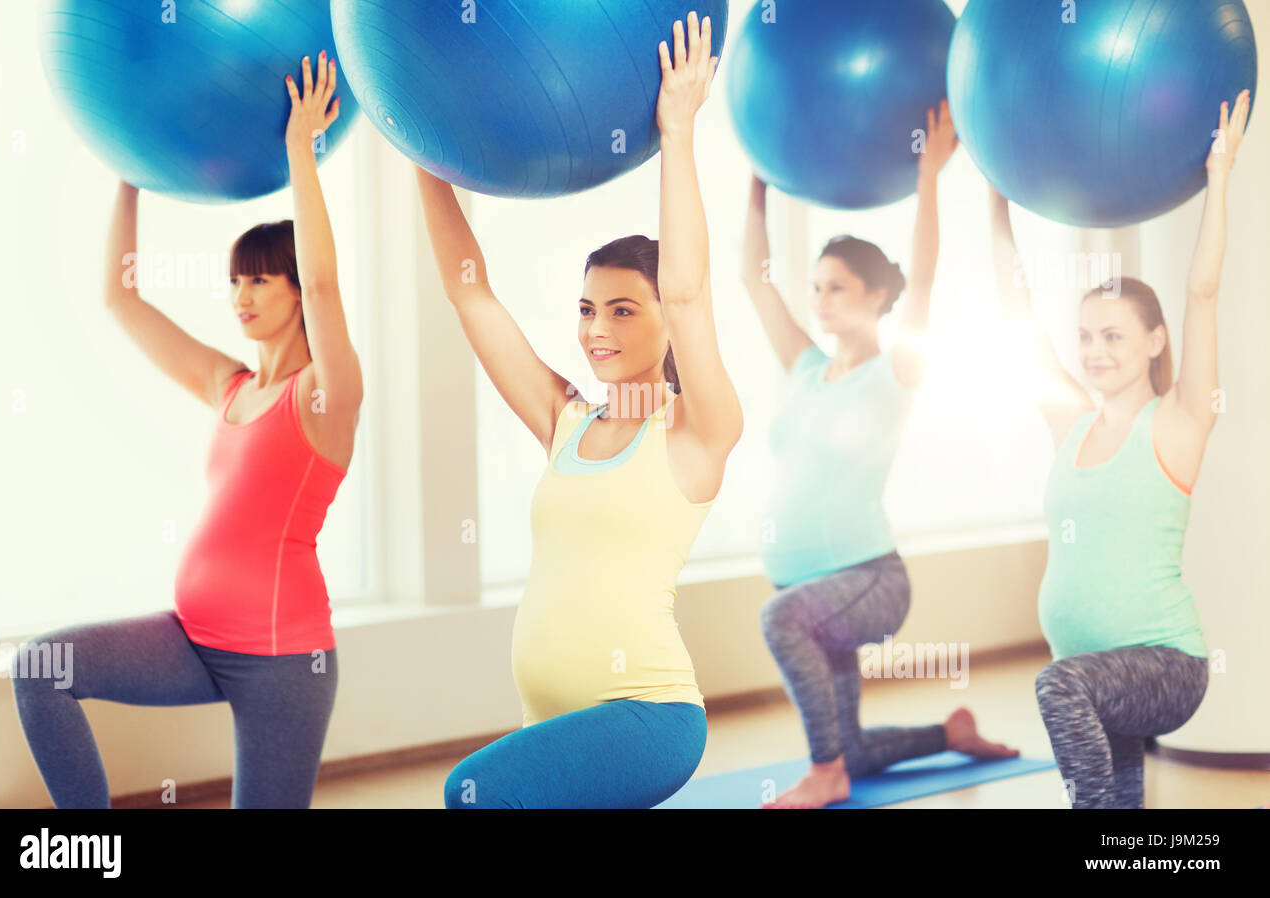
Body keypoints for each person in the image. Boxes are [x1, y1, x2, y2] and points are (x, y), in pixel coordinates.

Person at [10, 52, 361, 809]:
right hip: (192, 639)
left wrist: (302, 147)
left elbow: (329, 282)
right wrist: (130, 167)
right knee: (42, 669)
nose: (240, 294)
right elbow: (120, 300)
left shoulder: (326, 397)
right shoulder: (230, 384)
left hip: (280, 661)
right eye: (236, 279)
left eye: (261, 278)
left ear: (299, 293)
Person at [419, 13, 741, 809]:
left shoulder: (699, 432)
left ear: (663, 317)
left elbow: (693, 293)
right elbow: (469, 291)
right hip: (550, 718)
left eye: (624, 310)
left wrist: (677, 134)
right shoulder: (564, 420)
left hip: (648, 714)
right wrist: (421, 146)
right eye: (588, 308)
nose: (597, 330)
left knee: (472, 791)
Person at [744, 99, 1016, 809]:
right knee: (860, 751)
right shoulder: (804, 367)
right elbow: (754, 280)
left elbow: (923, 275)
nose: (822, 300)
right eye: (818, 288)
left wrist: (929, 174)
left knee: (780, 622)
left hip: (869, 580)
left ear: (873, 298)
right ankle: (946, 731)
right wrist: (757, 174)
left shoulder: (895, 372)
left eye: (838, 288)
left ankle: (822, 772)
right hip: (811, 591)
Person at [994, 90, 1251, 809]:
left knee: (1059, 692)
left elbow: (1203, 293)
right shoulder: (1070, 423)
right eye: (1086, 336)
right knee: (1126, 804)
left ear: (1153, 342)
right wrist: (996, 192)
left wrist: (1221, 178)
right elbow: (1016, 309)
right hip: (1098, 668)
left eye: (1114, 335)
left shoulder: (1177, 423)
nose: (1094, 351)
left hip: (1168, 666)